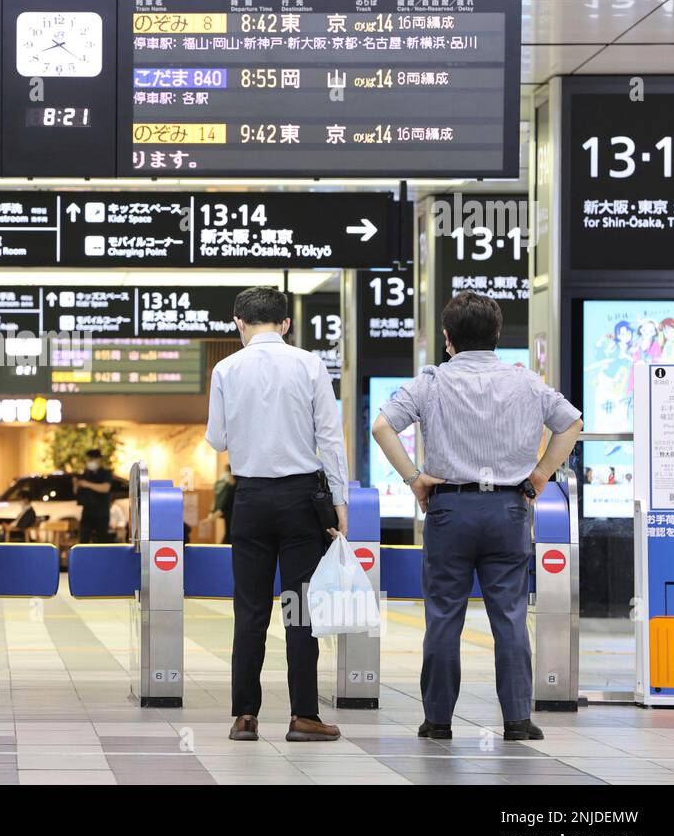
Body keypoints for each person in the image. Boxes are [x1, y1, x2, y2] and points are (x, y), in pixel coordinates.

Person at [371, 291, 583, 742]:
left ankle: (438, 721)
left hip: (449, 509)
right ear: (497, 336)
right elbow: (570, 423)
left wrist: (414, 478)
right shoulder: (526, 382)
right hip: (508, 508)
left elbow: (382, 425)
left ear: (448, 338)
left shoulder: (431, 382)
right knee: (508, 615)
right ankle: (518, 722)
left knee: (444, 615)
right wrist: (542, 474)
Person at [205, 286, 349, 744]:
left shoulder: (225, 369)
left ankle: (245, 716)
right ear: (285, 324)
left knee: (249, 610)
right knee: (299, 610)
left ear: (238, 322)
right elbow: (329, 437)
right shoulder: (309, 364)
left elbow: (217, 439)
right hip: (301, 502)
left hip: (249, 500)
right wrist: (340, 501)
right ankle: (304, 716)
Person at [75, 449, 113, 544]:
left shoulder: (106, 473)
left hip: (101, 513)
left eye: (92, 459)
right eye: (88, 460)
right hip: (87, 513)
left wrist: (87, 484)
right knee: (84, 540)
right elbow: (77, 493)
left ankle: (102, 558)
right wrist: (76, 485)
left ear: (98, 460)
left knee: (102, 540)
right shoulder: (85, 474)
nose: (89, 462)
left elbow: (105, 488)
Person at [211, 463, 236, 544]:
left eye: (226, 472)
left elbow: (224, 506)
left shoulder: (233, 488)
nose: (225, 474)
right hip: (230, 519)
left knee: (229, 538)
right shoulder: (229, 487)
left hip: (233, 520)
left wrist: (211, 518)